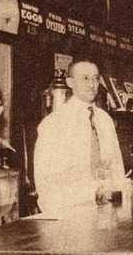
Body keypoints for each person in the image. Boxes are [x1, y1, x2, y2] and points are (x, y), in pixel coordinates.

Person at [33, 59, 125, 214]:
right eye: (85, 78)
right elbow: (44, 183)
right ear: (70, 82)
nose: (92, 84)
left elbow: (117, 167)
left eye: (96, 78)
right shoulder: (53, 124)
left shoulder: (105, 120)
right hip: (73, 212)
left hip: (108, 210)